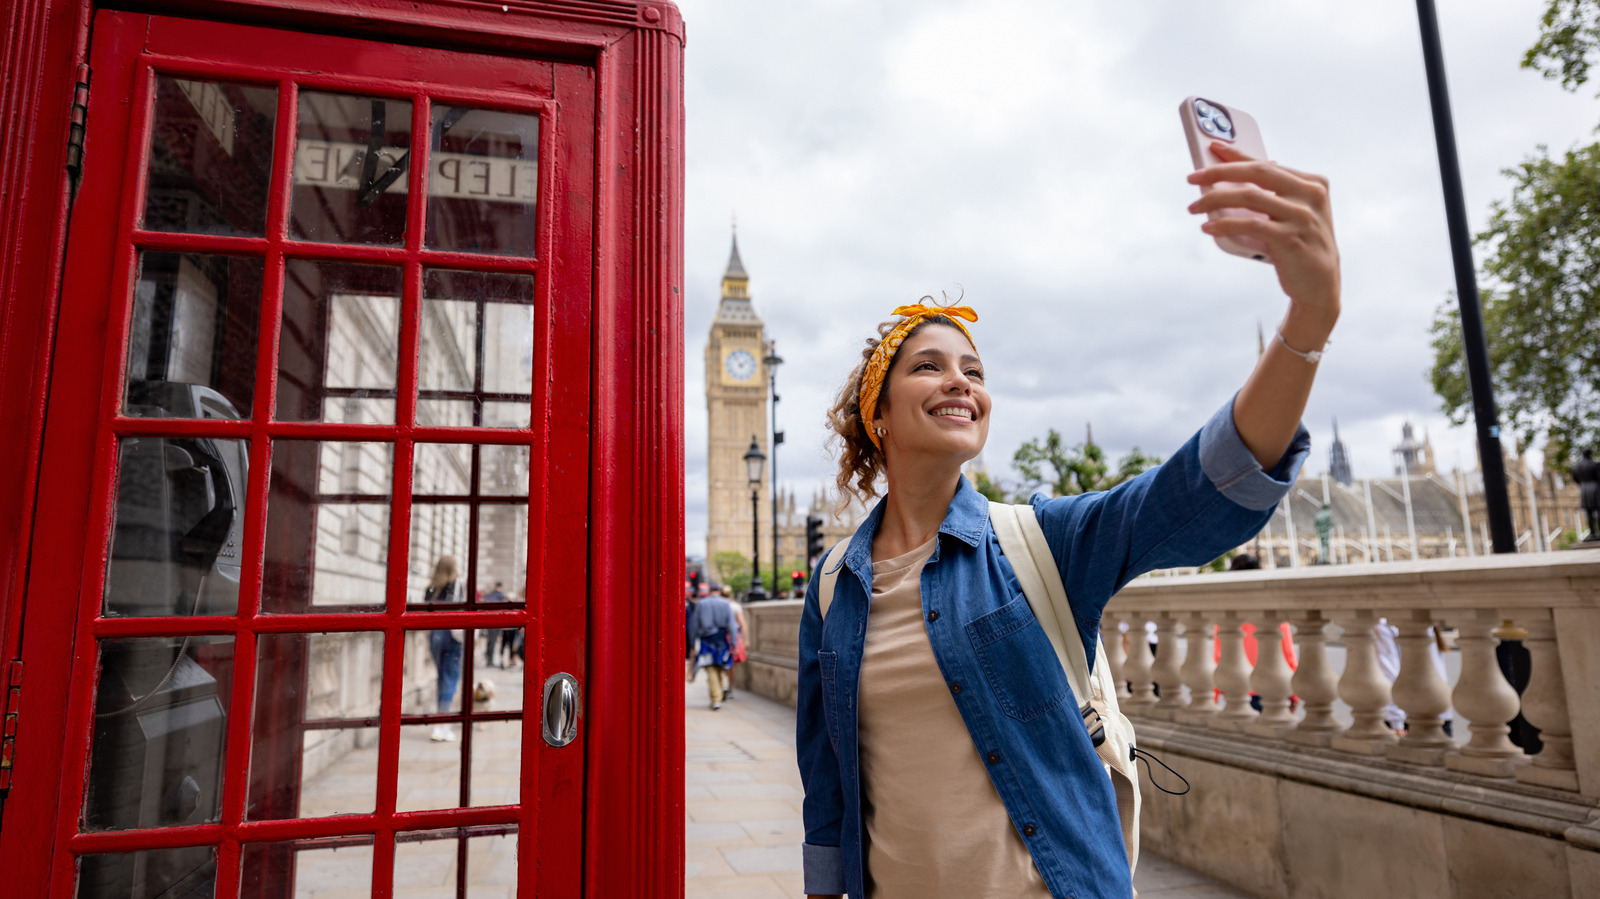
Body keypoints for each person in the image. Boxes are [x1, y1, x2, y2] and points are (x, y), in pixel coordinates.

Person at [796, 142, 1336, 899]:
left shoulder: (1039, 544)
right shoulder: (832, 589)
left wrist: (1309, 318)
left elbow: (1198, 496)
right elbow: (829, 794)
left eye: (974, 370)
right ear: (877, 416)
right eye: (929, 365)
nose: (960, 379)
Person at [424, 556, 465, 742]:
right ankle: (442, 724)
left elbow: (425, 612)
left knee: (442, 677)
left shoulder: (431, 588)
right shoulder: (457, 584)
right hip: (451, 633)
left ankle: (439, 721)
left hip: (435, 634)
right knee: (450, 678)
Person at [687, 588, 741, 710]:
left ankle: (716, 697)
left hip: (706, 640)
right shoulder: (725, 603)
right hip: (722, 640)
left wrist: (692, 644)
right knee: (720, 667)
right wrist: (734, 644)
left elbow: (694, 625)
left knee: (710, 668)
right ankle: (718, 693)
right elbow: (732, 626)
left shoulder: (701, 603)